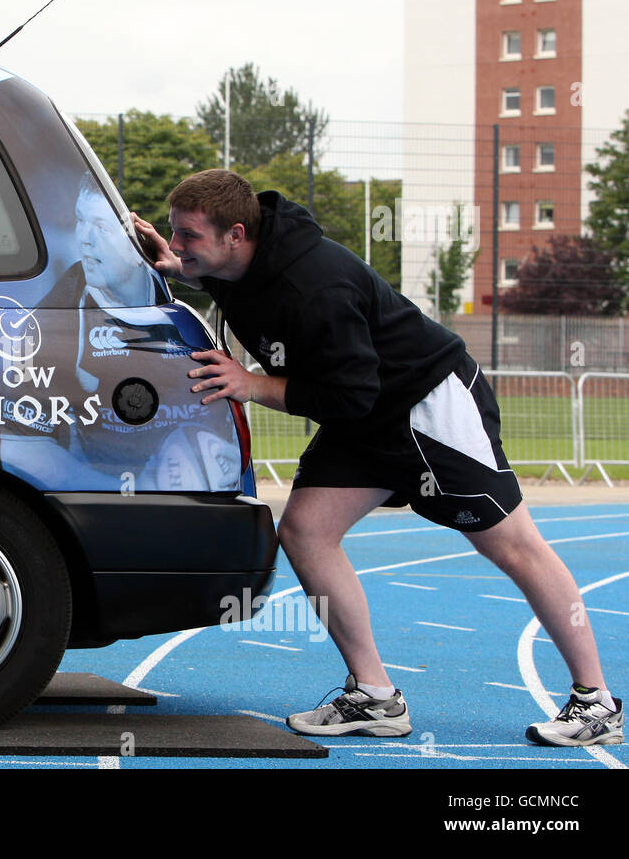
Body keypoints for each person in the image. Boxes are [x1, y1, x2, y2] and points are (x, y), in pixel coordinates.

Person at [132, 168, 622, 747]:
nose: (179, 243)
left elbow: (349, 392)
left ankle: (596, 703)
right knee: (307, 530)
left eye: (188, 236)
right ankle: (377, 697)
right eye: (175, 233)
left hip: (425, 405)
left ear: (236, 233)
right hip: (364, 412)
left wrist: (251, 383)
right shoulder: (243, 264)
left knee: (513, 545)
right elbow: (256, 303)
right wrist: (178, 266)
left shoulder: (314, 286)